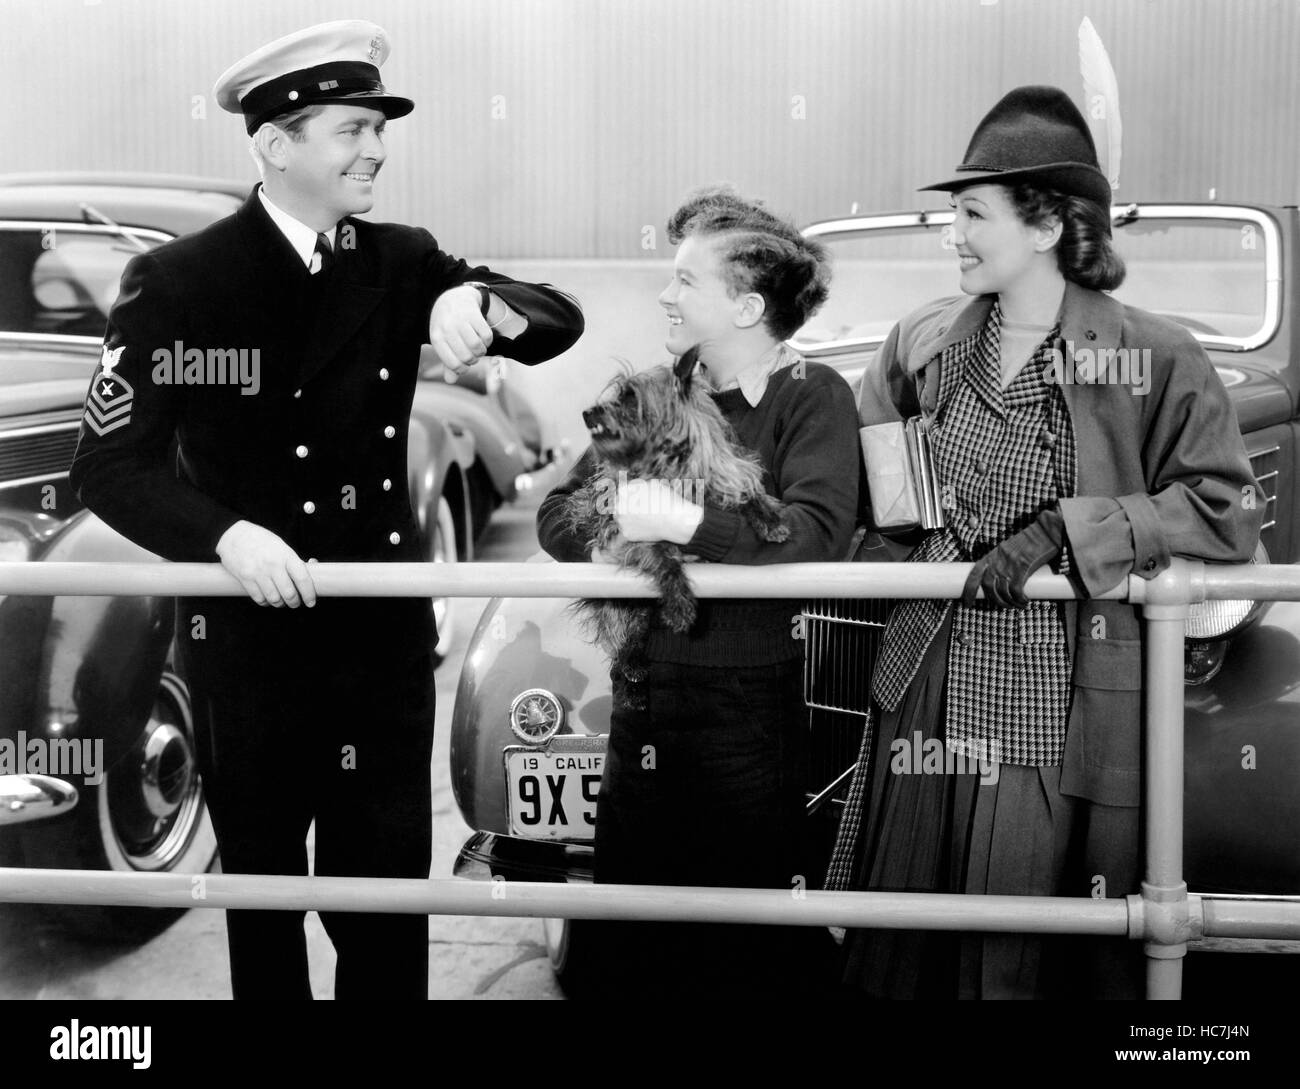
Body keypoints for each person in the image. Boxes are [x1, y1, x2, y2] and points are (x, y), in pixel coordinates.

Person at [69, 20, 583, 1000]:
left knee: (385, 901)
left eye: (376, 129)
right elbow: (110, 466)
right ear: (276, 143)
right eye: (350, 129)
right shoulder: (179, 281)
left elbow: (560, 320)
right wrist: (224, 535)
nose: (375, 149)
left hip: (376, 647)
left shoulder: (398, 258)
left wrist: (479, 301)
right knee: (263, 902)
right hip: (247, 648)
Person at [825, 85, 1262, 999]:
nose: (953, 233)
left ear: (1047, 226)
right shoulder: (921, 340)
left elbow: (1224, 508)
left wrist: (1071, 529)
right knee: (905, 932)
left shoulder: (1155, 356)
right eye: (953, 214)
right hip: (924, 681)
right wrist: (884, 550)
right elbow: (868, 482)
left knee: (1025, 939)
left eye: (973, 213)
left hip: (1054, 696)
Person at [537, 188, 861, 996]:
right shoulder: (658, 390)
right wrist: (613, 522)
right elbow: (552, 516)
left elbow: (814, 531)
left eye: (685, 280)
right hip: (644, 694)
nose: (664, 295)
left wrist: (683, 522)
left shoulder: (811, 397)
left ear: (747, 306)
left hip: (744, 712)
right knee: (632, 933)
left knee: (736, 941)